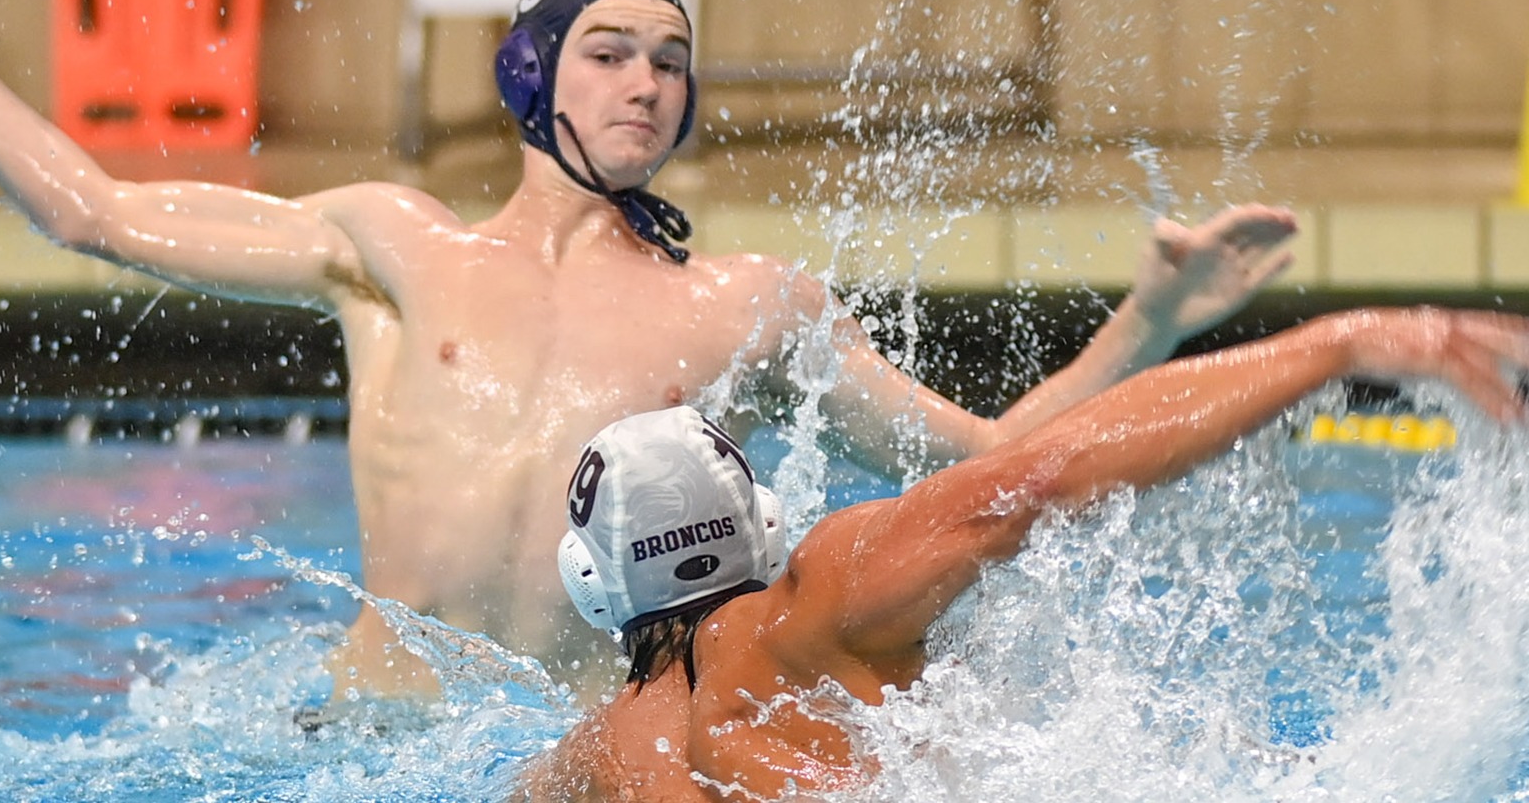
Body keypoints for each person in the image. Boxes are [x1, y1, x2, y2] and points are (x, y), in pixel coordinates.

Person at [0, 0, 1296, 695]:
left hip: (555, 764)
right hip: (367, 753)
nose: (649, 82)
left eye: (671, 63)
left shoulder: (745, 303)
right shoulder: (393, 246)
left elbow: (978, 462)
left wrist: (1151, 317)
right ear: (537, 76)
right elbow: (89, 209)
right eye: (611, 51)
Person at [524, 307, 1529, 800]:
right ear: (765, 525)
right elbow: (1031, 483)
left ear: (591, 583)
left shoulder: (586, 765)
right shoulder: (818, 603)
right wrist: (1339, 346)